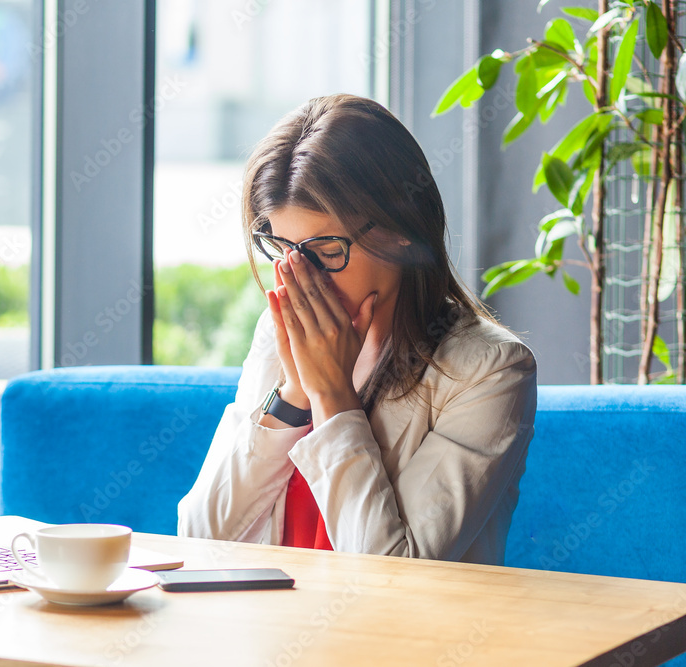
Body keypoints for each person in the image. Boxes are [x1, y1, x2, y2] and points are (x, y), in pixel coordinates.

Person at [177, 94, 537, 565]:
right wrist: (293, 395)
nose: (304, 278)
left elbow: (391, 573)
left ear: (402, 225)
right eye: (283, 249)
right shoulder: (279, 334)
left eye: (326, 251)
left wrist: (331, 394)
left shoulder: (489, 372)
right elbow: (200, 537)